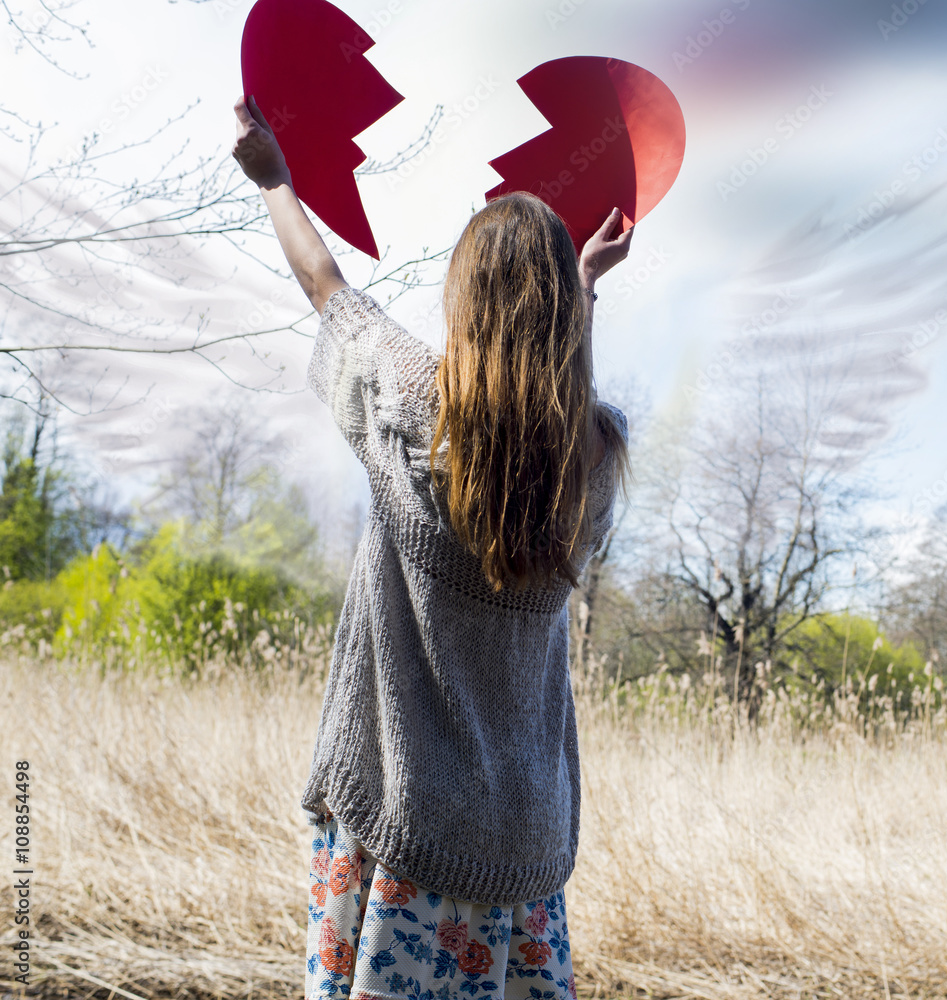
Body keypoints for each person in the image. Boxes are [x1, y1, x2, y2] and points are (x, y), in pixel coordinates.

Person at [233, 93, 633, 1000]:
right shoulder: (595, 455)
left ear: (466, 299)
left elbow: (326, 290)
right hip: (521, 849)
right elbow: (553, 406)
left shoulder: (413, 405)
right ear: (559, 313)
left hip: (402, 828)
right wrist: (583, 286)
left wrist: (275, 182)